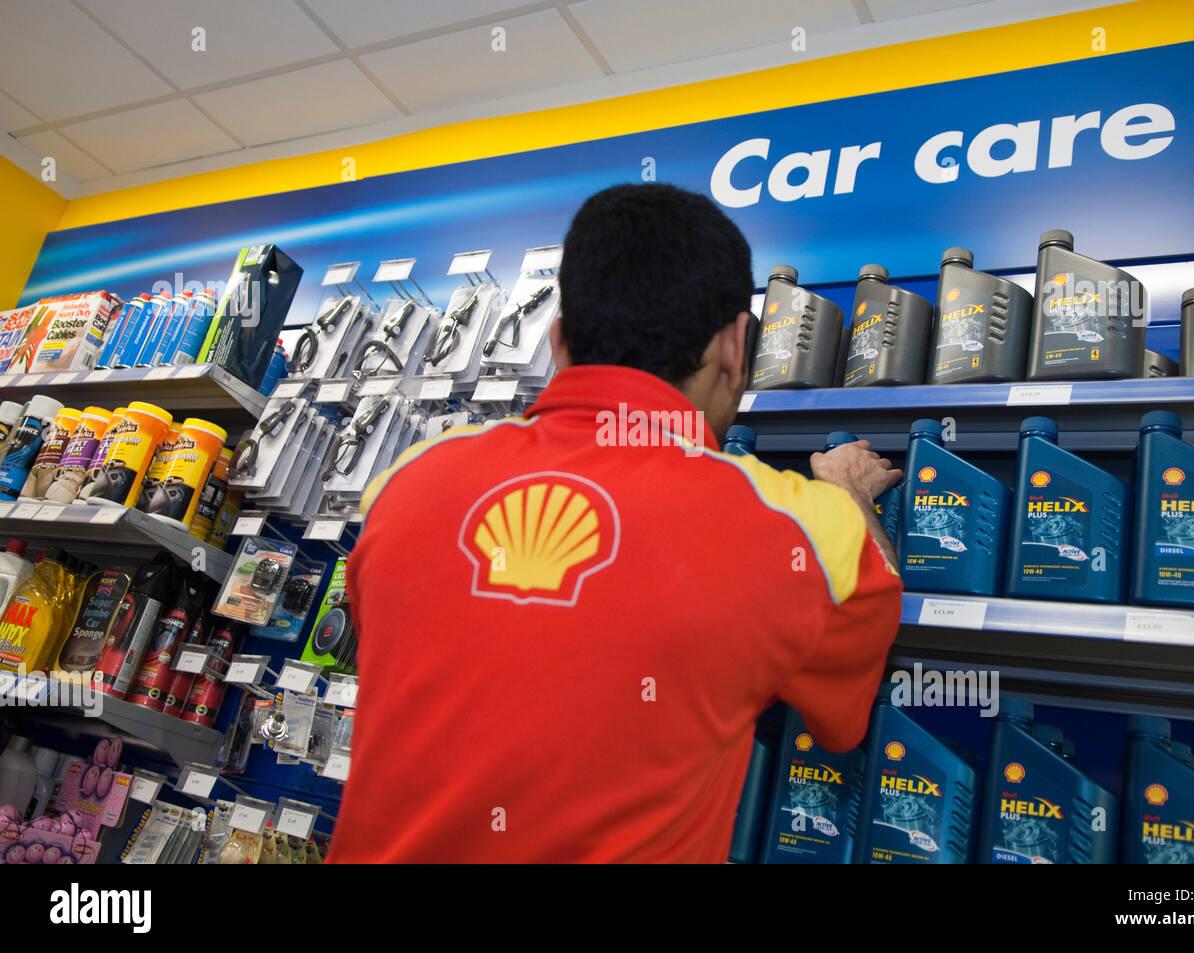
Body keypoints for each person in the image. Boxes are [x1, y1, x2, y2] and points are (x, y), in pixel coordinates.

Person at [327, 183, 903, 863]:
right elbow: (843, 718)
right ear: (735, 345)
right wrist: (852, 492)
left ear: (560, 341)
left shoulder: (405, 483)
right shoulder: (803, 528)